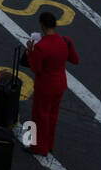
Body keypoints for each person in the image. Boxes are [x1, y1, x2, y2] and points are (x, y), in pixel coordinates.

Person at [26, 10, 80, 155]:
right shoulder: (66, 41)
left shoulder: (41, 47)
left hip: (44, 86)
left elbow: (35, 68)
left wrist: (30, 52)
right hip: (60, 84)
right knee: (52, 115)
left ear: (42, 25)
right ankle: (49, 144)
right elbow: (75, 60)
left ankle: (38, 147)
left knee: (39, 116)